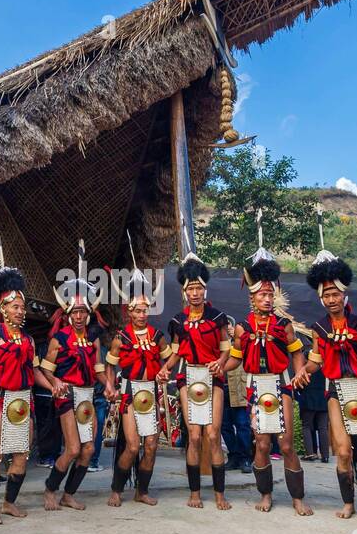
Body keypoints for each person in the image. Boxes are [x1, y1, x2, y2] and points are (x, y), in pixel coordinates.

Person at [221, 220, 312, 515]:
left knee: (285, 443)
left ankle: (298, 497)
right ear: (252, 297)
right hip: (256, 385)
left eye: (271, 295)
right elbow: (235, 358)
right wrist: (220, 365)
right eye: (262, 294)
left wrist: (300, 371)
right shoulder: (243, 328)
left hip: (280, 382)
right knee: (261, 444)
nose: (267, 298)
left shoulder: (285, 326)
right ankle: (266, 494)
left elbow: (296, 353)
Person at [0, 245, 58, 522]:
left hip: (23, 399)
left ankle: (9, 502)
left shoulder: (29, 341)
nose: (21, 311)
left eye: (22, 307)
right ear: (3, 308)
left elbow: (36, 373)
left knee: (22, 453)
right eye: (16, 307)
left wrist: (52, 386)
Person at [296, 250, 357, 520]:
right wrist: (303, 371)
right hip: (336, 391)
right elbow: (316, 361)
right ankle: (348, 503)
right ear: (321, 298)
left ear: (344, 295)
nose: (332, 299)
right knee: (344, 452)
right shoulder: (320, 329)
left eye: (335, 294)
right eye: (327, 295)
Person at [40, 241, 112, 509]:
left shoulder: (93, 340)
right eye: (76, 312)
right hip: (66, 394)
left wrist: (109, 386)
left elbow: (98, 368)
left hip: (86, 395)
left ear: (89, 314)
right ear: (68, 314)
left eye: (84, 312)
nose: (80, 316)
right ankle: (50, 490)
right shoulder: (59, 339)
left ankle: (69, 494)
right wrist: (55, 382)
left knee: (89, 449)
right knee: (72, 448)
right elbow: (46, 368)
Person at [161, 251, 232, 509]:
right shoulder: (178, 322)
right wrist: (164, 369)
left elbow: (226, 349)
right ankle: (194, 493)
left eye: (198, 288)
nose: (195, 293)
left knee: (213, 435)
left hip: (212, 377)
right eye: (190, 288)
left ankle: (219, 493)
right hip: (187, 375)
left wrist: (220, 363)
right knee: (193, 436)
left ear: (205, 289)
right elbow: (176, 352)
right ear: (184, 291)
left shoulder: (217, 318)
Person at [104, 248, 167, 507]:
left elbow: (168, 357)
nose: (142, 315)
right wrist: (109, 385)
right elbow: (110, 364)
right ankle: (117, 488)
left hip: (151, 392)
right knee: (132, 446)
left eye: (145, 310)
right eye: (137, 311)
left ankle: (142, 490)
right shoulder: (121, 338)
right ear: (128, 312)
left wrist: (165, 370)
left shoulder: (156, 335)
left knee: (151, 444)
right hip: (130, 393)